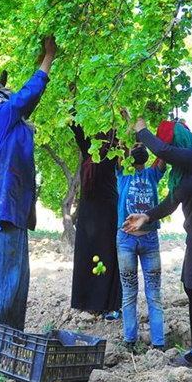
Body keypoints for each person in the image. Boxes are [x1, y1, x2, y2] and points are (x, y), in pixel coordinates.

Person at [0, 36, 57, 350]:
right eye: (3, 91)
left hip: (13, 209)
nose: (8, 92)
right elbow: (28, 95)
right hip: (3, 208)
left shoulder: (6, 121)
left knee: (16, 281)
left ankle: (8, 340)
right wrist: (48, 58)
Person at [123, 118, 192, 367]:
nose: (171, 151)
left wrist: (142, 129)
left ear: (180, 142)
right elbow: (170, 203)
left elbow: (163, 151)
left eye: (172, 144)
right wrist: (146, 216)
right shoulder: (185, 175)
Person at [116, 113, 167, 350]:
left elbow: (162, 154)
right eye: (135, 146)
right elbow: (122, 147)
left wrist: (145, 135)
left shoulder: (153, 174)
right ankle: (130, 340)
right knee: (129, 294)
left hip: (150, 241)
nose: (137, 148)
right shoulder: (123, 175)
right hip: (126, 241)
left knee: (154, 294)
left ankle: (158, 343)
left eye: (141, 145)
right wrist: (129, 125)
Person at [69, 123, 122, 320]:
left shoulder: (111, 150)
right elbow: (76, 126)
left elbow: (77, 127)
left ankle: (104, 304)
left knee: (105, 255)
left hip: (104, 212)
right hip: (94, 212)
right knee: (94, 256)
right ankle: (94, 303)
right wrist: (72, 98)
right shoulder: (90, 149)